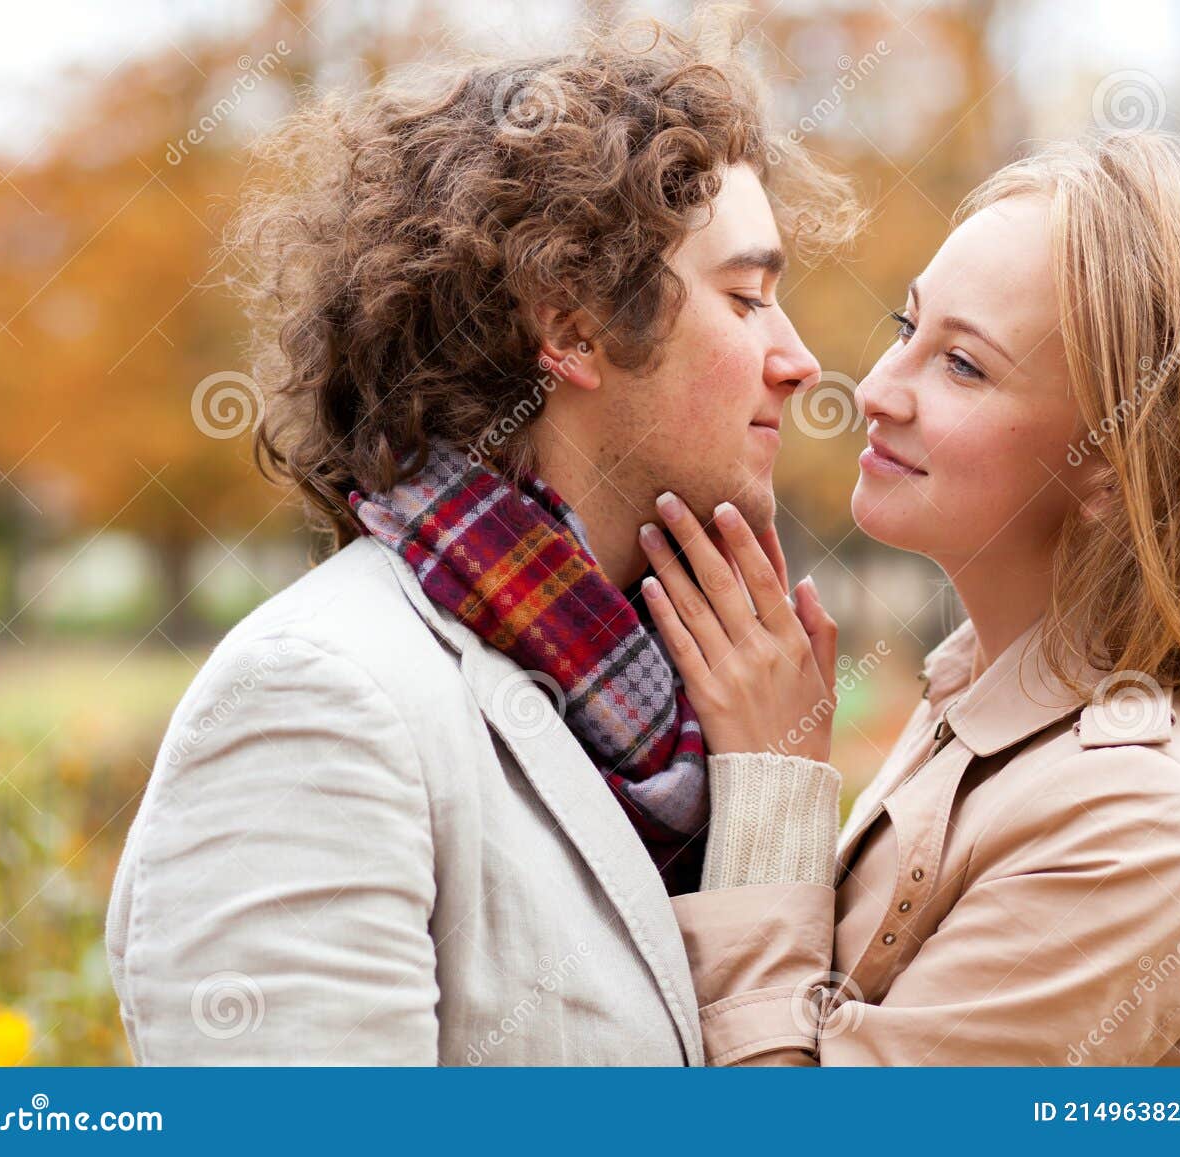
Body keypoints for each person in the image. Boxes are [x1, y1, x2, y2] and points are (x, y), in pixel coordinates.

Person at [104, 12, 858, 1065]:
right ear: (570, 328)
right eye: (746, 298)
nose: (799, 360)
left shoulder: (675, 724)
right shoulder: (312, 703)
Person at [641, 131, 1180, 1066]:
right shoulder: (984, 696)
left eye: (963, 365)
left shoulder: (1135, 817)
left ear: (1115, 466)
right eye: (905, 327)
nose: (878, 388)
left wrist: (774, 790)